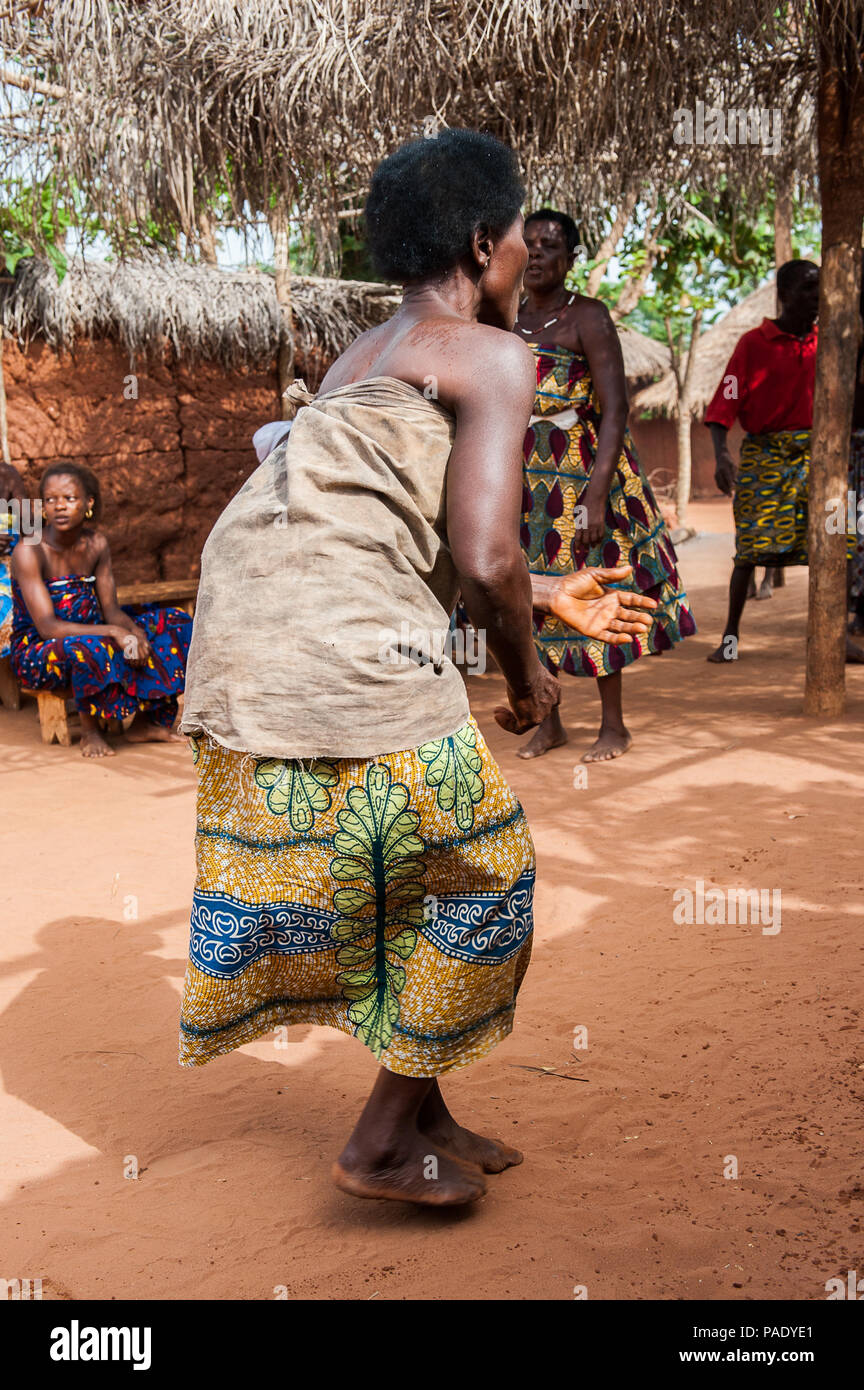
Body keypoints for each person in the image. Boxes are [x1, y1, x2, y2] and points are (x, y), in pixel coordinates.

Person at [178, 130, 657, 1208]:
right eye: (513, 246)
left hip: (250, 637)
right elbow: (485, 555)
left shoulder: (358, 356)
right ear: (485, 243)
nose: (520, 269)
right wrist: (528, 684)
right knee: (489, 874)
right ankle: (385, 1140)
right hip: (349, 646)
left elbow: (392, 525)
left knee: (408, 870)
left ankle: (427, 1106)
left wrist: (544, 596)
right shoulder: (490, 354)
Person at [514, 209, 696, 761]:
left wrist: (594, 495)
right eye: (530, 244)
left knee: (594, 589)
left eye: (551, 246)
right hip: (522, 479)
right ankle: (549, 721)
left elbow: (615, 410)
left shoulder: (587, 317)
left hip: (582, 473)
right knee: (534, 595)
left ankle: (613, 725)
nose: (538, 253)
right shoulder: (504, 320)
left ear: (571, 260)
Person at [10, 463, 192, 756]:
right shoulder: (28, 550)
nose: (59, 507)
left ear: (88, 503)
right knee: (87, 647)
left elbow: (111, 609)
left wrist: (133, 633)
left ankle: (147, 723)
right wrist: (115, 633)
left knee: (175, 622)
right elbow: (48, 627)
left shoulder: (96, 544)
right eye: (50, 500)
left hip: (98, 633)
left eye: (69, 498)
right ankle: (90, 731)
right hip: (41, 650)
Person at [705, 259, 827, 662]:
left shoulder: (829, 342)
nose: (816, 296)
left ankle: (834, 637)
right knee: (750, 549)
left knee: (835, 541)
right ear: (785, 294)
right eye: (809, 288)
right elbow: (725, 400)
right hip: (765, 456)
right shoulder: (753, 345)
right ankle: (730, 639)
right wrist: (722, 454)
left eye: (820, 288)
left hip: (819, 457)